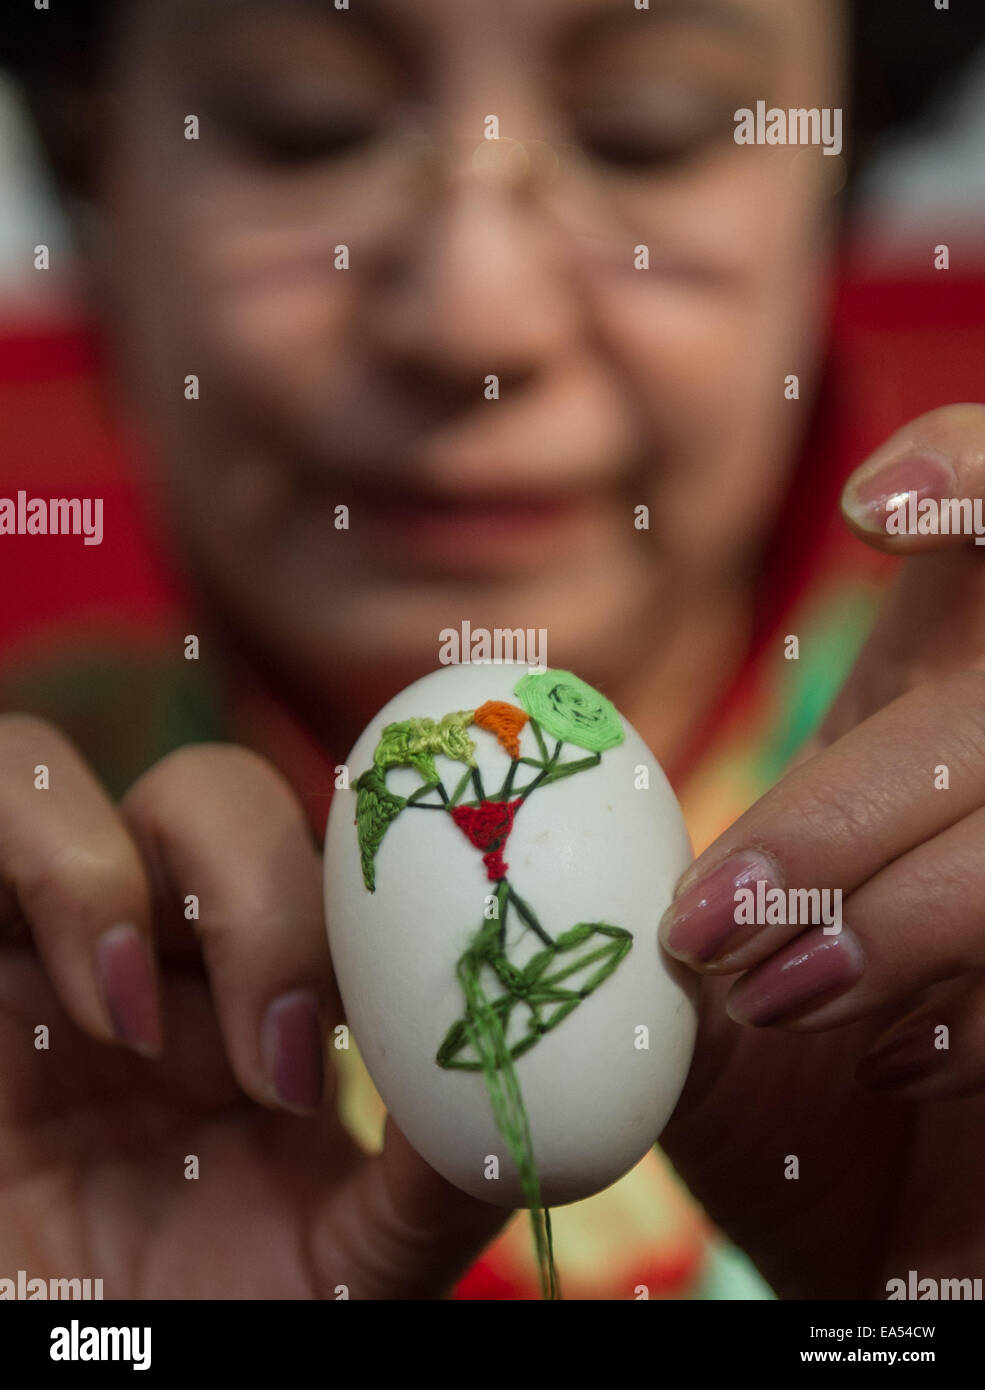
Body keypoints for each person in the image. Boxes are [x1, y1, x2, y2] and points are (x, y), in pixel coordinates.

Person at [2, 0, 985, 1299]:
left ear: (834, 179)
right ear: (95, 175)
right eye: (307, 128)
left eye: (648, 135)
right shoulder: (39, 979)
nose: (475, 322)